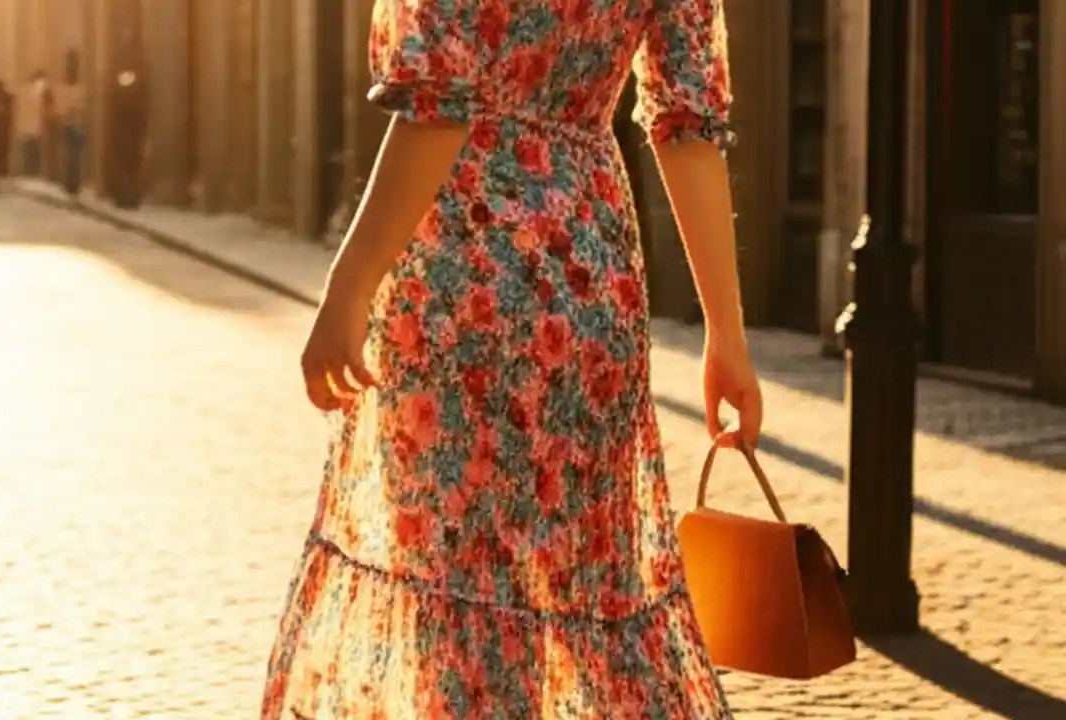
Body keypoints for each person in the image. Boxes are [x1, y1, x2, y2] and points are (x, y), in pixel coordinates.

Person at [262, 0, 762, 717]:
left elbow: (439, 109)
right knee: (594, 591)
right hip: (592, 282)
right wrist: (727, 337)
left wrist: (348, 289)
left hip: (462, 286)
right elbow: (687, 127)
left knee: (458, 601)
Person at [53, 52, 87, 199]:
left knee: (75, 155)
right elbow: (60, 108)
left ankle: (73, 183)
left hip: (76, 125)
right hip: (67, 124)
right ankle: (68, 182)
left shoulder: (79, 89)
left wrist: (69, 110)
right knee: (69, 154)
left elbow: (80, 106)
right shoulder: (63, 88)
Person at [15, 70, 50, 176]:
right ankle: (31, 174)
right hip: (34, 129)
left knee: (27, 154)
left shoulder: (23, 91)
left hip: (26, 128)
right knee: (33, 155)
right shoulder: (36, 93)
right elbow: (41, 112)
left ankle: (27, 174)